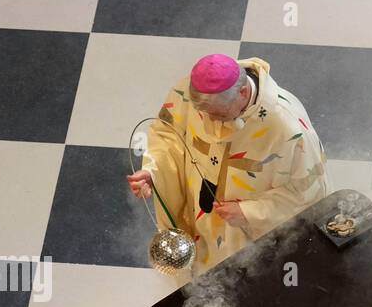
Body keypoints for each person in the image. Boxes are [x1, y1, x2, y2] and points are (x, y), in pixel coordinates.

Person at [127, 54, 330, 272]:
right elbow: (169, 134)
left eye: (219, 115)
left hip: (245, 234)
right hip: (199, 219)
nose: (211, 124)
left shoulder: (290, 131)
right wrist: (154, 171)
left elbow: (307, 194)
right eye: (204, 115)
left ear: (242, 93)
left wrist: (249, 212)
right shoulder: (193, 92)